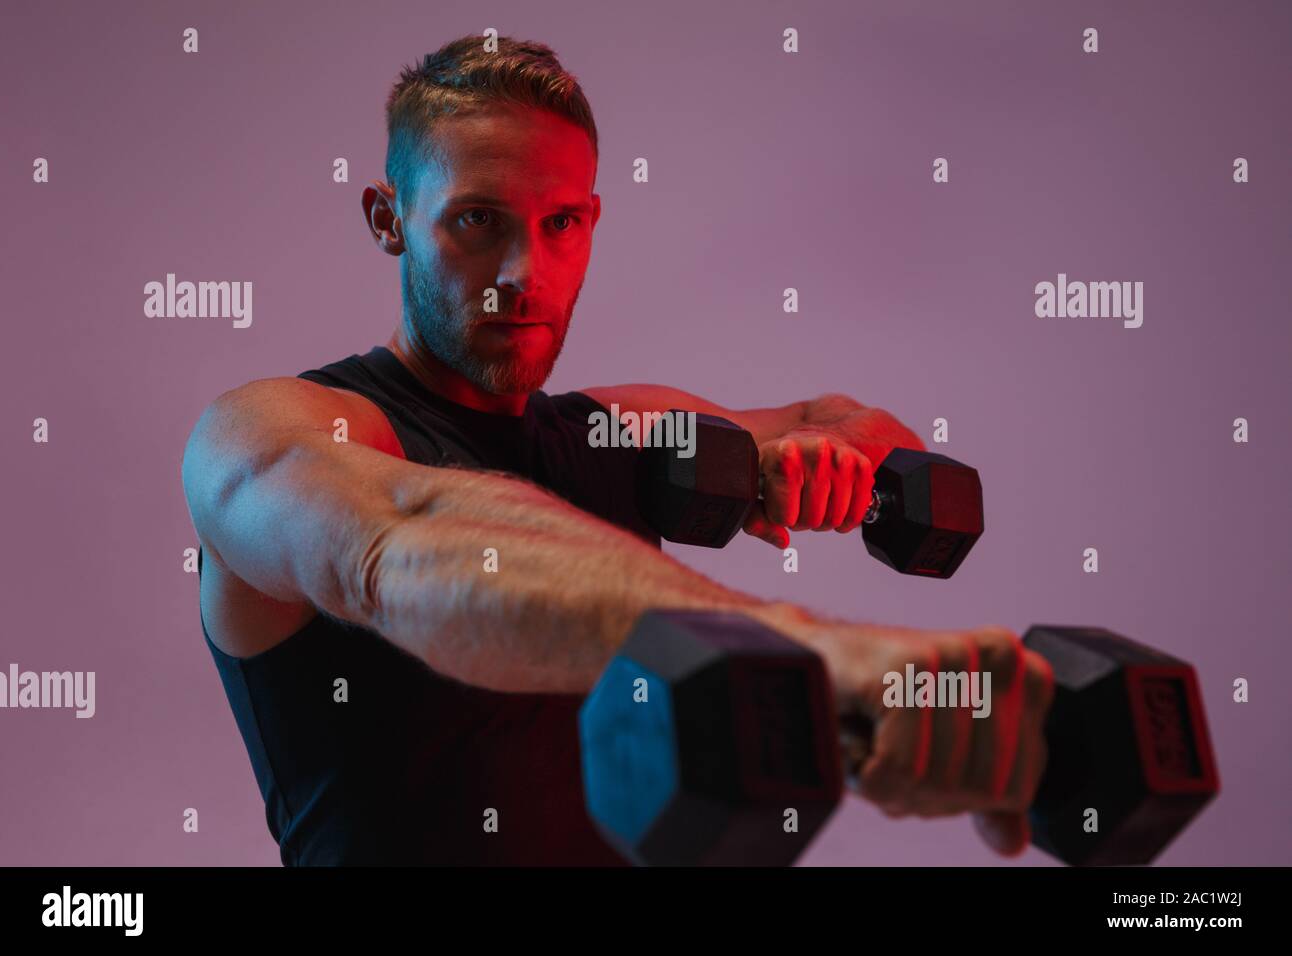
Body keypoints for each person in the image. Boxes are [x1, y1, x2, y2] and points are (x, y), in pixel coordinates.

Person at [180, 34, 1052, 866]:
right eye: (478, 220)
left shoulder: (616, 431)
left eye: (560, 223)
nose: (525, 269)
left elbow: (850, 422)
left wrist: (822, 465)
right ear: (389, 218)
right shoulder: (270, 432)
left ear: (592, 220)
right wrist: (822, 654)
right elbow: (402, 542)